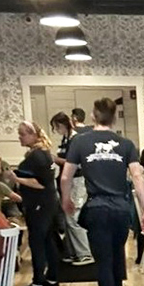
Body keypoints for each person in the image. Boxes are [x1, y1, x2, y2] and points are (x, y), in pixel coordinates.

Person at [61, 97, 144, 286]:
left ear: (93, 115)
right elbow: (138, 177)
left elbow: (65, 176)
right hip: (121, 210)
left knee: (103, 262)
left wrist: (66, 199)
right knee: (116, 254)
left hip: (97, 208)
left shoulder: (79, 142)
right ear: (114, 118)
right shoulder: (126, 144)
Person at [13, 121, 60, 286]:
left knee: (38, 243)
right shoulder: (43, 153)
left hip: (39, 204)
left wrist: (16, 179)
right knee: (48, 241)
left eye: (22, 134)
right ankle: (52, 279)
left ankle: (38, 283)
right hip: (48, 202)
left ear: (33, 135)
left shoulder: (37, 156)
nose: (19, 137)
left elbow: (40, 183)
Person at [50, 111, 93, 265]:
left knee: (73, 217)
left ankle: (84, 252)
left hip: (77, 181)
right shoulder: (67, 139)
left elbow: (75, 163)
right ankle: (73, 251)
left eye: (57, 127)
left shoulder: (75, 140)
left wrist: (55, 159)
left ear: (62, 125)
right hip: (70, 181)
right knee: (68, 217)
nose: (56, 130)